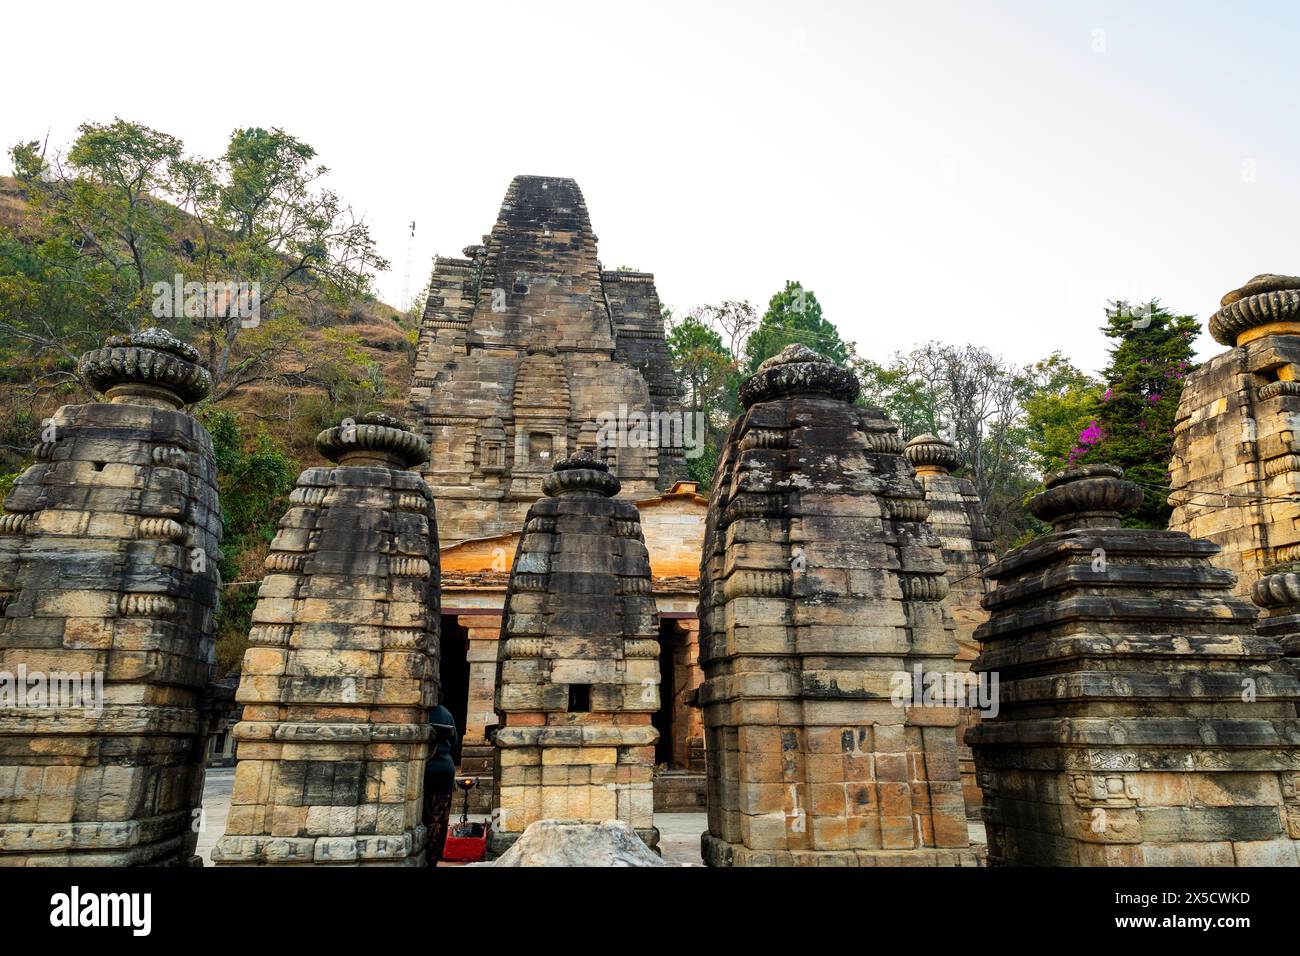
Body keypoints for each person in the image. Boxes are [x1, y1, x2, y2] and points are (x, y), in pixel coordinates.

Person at [424, 702, 458, 866]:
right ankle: (432, 858)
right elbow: (455, 741)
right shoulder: (445, 713)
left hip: (423, 768)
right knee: (438, 820)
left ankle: (421, 855)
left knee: (421, 817)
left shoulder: (421, 712)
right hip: (444, 768)